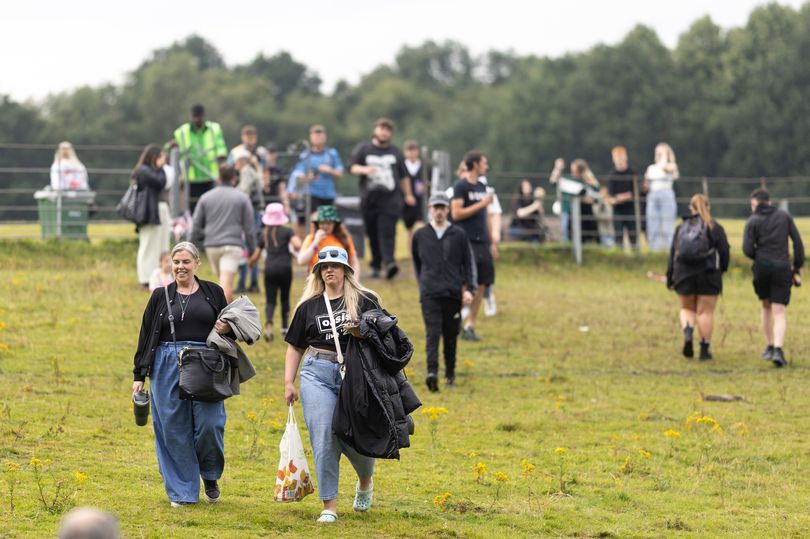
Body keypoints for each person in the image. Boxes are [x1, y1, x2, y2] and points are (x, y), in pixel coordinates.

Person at [283, 247, 380, 523]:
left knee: (356, 434)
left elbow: (384, 336)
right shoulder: (308, 307)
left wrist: (363, 331)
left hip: (356, 374)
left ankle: (364, 479)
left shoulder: (365, 300)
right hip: (316, 372)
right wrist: (288, 382)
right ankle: (330, 505)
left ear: (346, 270)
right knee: (324, 434)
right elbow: (294, 347)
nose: (329, 271)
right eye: (323, 267)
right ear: (317, 272)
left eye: (335, 266)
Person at [132, 242, 232, 507]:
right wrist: (139, 375)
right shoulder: (160, 295)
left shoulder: (213, 292)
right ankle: (183, 493)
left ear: (197, 263)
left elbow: (233, 332)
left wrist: (225, 328)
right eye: (176, 262)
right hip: (166, 364)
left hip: (206, 364)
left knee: (210, 424)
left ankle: (210, 475)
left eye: (186, 261)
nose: (180, 267)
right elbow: (146, 335)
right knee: (173, 429)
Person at [412, 193, 475, 392]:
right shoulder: (421, 235)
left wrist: (470, 289)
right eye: (435, 207)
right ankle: (432, 372)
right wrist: (423, 284)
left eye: (442, 208)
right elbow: (417, 263)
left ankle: (450, 373)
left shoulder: (458, 234)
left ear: (448, 209)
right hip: (430, 292)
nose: (439, 211)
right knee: (432, 333)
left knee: (450, 334)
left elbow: (468, 263)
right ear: (430, 208)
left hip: (452, 292)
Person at [742, 188, 804, 367]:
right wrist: (797, 265)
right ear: (769, 202)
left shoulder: (752, 220)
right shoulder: (784, 217)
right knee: (779, 310)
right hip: (782, 267)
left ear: (755, 204)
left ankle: (769, 346)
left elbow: (746, 249)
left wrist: (760, 258)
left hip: (762, 267)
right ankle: (778, 349)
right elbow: (797, 243)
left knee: (766, 306)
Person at [666, 195, 730, 361]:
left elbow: (673, 254)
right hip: (708, 274)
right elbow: (724, 252)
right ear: (708, 207)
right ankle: (704, 349)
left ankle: (688, 332)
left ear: (691, 208)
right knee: (705, 313)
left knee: (687, 309)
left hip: (683, 274)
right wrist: (721, 270)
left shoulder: (680, 228)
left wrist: (670, 277)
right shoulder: (715, 227)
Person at [350, 117, 415, 279]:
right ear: (375, 130)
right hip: (369, 200)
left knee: (387, 231)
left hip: (391, 199)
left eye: (387, 130)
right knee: (372, 233)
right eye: (381, 128)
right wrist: (365, 170)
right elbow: (352, 167)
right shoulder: (363, 149)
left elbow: (404, 176)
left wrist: (408, 194)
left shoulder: (396, 152)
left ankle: (390, 263)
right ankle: (376, 264)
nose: (384, 132)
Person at [191, 165, 256, 303]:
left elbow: (196, 225)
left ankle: (225, 318)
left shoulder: (205, 197)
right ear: (234, 179)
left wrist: (189, 247)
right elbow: (249, 229)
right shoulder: (242, 198)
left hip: (211, 246)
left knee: (223, 283)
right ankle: (221, 320)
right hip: (232, 245)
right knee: (225, 287)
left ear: (219, 178)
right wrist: (252, 250)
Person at [451, 151, 494, 342]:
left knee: (483, 282)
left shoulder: (482, 185)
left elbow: (485, 215)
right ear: (475, 164)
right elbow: (456, 213)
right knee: (464, 282)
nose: (487, 165)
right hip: (465, 241)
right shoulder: (460, 186)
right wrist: (481, 203)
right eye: (484, 162)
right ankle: (455, 319)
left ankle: (470, 325)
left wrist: (491, 240)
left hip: (482, 242)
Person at [249, 203, 301, 342]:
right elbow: (297, 245)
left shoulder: (264, 233)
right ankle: (284, 329)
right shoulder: (287, 231)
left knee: (270, 300)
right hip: (285, 269)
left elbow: (256, 255)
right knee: (284, 298)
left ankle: (269, 322)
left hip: (269, 269)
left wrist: (250, 263)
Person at [172, 104, 228, 212]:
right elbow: (173, 149)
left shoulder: (214, 129)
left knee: (211, 206)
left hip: (210, 176)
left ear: (204, 116)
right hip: (191, 177)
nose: (197, 119)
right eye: (195, 117)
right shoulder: (182, 132)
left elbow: (221, 147)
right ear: (191, 117)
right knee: (194, 206)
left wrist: (221, 157)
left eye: (199, 117)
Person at [288, 125, 344, 228]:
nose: (318, 139)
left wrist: (329, 170)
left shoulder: (332, 154)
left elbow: (340, 173)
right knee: (313, 220)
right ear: (311, 138)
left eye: (320, 136)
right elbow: (298, 174)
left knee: (329, 223)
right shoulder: (305, 155)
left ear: (325, 137)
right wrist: (307, 177)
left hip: (328, 194)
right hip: (311, 194)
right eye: (315, 136)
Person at [132, 144, 169, 290]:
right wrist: (160, 168)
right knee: (148, 245)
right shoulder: (143, 171)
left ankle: (160, 276)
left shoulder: (153, 170)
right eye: (160, 156)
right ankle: (145, 279)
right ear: (153, 157)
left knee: (161, 244)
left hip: (159, 209)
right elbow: (160, 182)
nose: (163, 160)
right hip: (148, 212)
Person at [233, 148, 265, 294]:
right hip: (254, 212)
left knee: (248, 248)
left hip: (250, 213)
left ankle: (248, 282)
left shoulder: (246, 171)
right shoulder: (250, 171)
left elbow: (243, 190)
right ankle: (251, 282)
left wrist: (230, 193)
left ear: (240, 161)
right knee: (250, 247)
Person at [297, 205, 360, 274]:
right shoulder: (311, 238)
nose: (325, 226)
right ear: (317, 224)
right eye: (322, 223)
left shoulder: (344, 238)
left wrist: (354, 281)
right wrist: (315, 242)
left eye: (328, 223)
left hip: (339, 281)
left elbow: (353, 261)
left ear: (334, 224)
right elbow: (301, 261)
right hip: (316, 280)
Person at [550, 158, 601, 243]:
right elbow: (553, 181)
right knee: (566, 235)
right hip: (567, 211)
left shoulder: (586, 182)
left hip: (582, 215)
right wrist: (557, 168)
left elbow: (596, 194)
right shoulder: (567, 179)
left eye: (575, 170)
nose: (573, 172)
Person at [645, 143, 680, 252]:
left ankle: (669, 251)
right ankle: (654, 251)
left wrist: (665, 155)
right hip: (653, 196)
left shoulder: (671, 165)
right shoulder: (651, 168)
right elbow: (646, 185)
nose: (659, 155)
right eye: (658, 153)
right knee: (653, 225)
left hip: (666, 196)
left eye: (661, 152)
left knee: (667, 226)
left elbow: (665, 168)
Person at [603, 146, 639, 250]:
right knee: (618, 235)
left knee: (633, 235)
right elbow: (611, 195)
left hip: (632, 208)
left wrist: (624, 196)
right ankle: (619, 256)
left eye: (621, 157)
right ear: (613, 159)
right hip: (617, 209)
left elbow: (637, 190)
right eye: (617, 158)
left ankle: (636, 257)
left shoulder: (633, 173)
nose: (619, 160)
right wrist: (624, 196)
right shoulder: (611, 175)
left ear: (626, 157)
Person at [402, 140, 426, 247]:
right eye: (409, 150)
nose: (412, 153)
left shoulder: (424, 166)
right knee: (409, 228)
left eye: (414, 150)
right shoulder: (402, 166)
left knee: (421, 224)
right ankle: (412, 251)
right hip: (406, 202)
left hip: (421, 200)